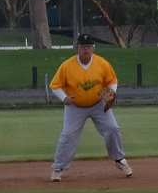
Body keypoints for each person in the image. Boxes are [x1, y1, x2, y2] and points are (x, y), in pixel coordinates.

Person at [48, 34, 131, 182]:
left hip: (98, 104)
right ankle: (58, 168)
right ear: (77, 48)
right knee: (68, 136)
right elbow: (55, 85)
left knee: (112, 129)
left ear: (93, 48)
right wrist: (64, 98)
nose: (86, 50)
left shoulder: (102, 63)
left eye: (88, 47)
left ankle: (119, 159)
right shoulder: (67, 66)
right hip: (75, 106)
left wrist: (111, 92)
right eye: (82, 47)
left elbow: (112, 80)